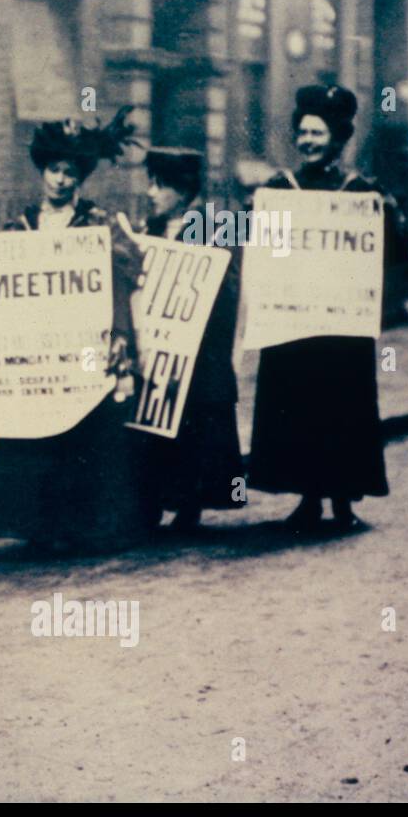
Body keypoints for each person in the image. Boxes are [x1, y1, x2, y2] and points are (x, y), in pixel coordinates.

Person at [0, 109, 159, 553]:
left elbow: (132, 267)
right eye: (54, 171)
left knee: (83, 433)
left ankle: (82, 525)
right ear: (43, 171)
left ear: (81, 177)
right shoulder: (19, 226)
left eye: (69, 173)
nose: (60, 180)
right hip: (35, 350)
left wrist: (115, 261)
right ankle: (36, 525)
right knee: (36, 432)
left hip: (82, 350)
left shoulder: (97, 224)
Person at [249, 84, 408, 531]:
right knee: (297, 406)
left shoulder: (362, 192)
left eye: (317, 133)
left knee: (340, 407)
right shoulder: (280, 188)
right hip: (294, 321)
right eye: (302, 132)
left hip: (341, 327)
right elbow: (263, 252)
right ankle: (307, 498)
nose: (308, 141)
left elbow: (398, 253)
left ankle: (342, 498)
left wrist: (387, 217)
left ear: (338, 138)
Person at [136, 147, 244, 530]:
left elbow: (226, 290)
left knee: (192, 426)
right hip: (157, 346)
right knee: (151, 424)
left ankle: (188, 503)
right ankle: (151, 500)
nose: (151, 193)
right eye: (151, 183)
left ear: (182, 191)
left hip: (198, 352)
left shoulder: (214, 227)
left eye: (160, 185)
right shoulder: (150, 228)